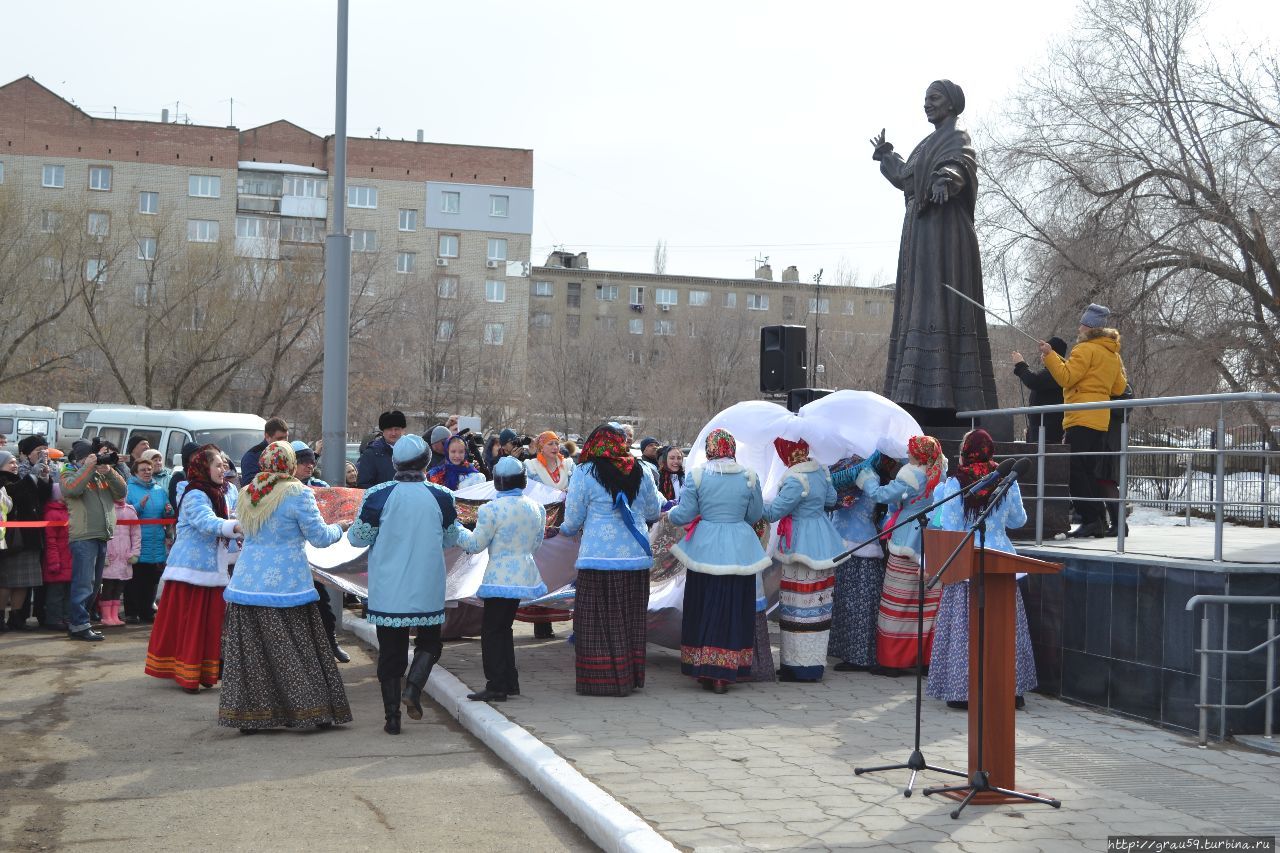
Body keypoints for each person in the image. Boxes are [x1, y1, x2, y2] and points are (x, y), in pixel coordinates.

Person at [870, 79, 998, 427]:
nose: (927, 104)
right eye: (925, 99)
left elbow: (961, 164)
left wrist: (945, 180)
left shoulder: (957, 137)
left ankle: (948, 395)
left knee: (942, 307)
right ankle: (913, 393)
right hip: (919, 238)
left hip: (945, 239)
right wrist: (886, 156)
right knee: (918, 306)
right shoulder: (925, 144)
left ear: (952, 103)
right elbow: (905, 177)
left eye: (935, 98)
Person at [219, 442, 350, 733]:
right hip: (287, 585)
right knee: (296, 650)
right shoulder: (297, 492)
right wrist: (341, 526)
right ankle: (311, 711)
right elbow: (320, 538)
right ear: (290, 465)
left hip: (247, 584)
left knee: (252, 655)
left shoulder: (247, 492)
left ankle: (252, 717)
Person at [348, 434, 461, 734]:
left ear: (395, 461)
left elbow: (357, 538)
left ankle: (391, 718)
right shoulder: (441, 496)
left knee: (391, 651)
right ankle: (413, 687)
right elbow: (451, 538)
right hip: (427, 583)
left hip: (389, 588)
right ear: (426, 461)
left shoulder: (378, 495)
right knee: (430, 643)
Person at [926, 428, 1036, 710]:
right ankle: (1010, 690)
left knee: (966, 629)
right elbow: (1018, 521)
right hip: (1002, 562)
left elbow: (950, 527)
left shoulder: (956, 482)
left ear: (965, 452)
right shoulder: (1007, 479)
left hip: (967, 563)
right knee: (1005, 627)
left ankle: (964, 691)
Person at [559, 424, 663, 697]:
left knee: (598, 620)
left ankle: (600, 678)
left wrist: (564, 531)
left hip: (597, 557)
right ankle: (629, 676)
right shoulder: (641, 470)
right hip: (635, 557)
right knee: (630, 617)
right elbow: (653, 510)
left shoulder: (584, 472)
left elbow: (572, 519)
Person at [668, 428, 769, 694]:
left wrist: (670, 515)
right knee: (735, 605)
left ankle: (703, 667)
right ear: (732, 448)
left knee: (703, 603)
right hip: (739, 546)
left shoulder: (698, 475)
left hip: (705, 546)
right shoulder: (749, 476)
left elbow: (685, 513)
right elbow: (755, 514)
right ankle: (726, 670)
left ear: (710, 449)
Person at [145, 446, 239, 691]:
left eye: (224, 465)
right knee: (192, 624)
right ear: (203, 468)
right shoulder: (195, 493)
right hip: (192, 570)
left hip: (212, 569)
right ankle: (188, 673)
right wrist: (236, 528)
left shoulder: (223, 492)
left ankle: (206, 672)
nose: (223, 469)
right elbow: (205, 521)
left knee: (210, 623)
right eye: (217, 465)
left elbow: (231, 517)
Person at [455, 456, 548, 702]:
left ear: (497, 481)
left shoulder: (490, 509)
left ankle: (496, 685)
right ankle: (509, 681)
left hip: (498, 576)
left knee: (492, 631)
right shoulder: (536, 507)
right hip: (524, 573)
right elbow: (536, 544)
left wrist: (455, 529)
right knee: (504, 628)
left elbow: (475, 545)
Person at [1041, 303, 1128, 538]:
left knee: (1074, 469)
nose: (1078, 328)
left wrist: (1050, 357)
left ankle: (1091, 518)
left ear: (1088, 327)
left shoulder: (1084, 349)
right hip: (1100, 419)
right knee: (1088, 470)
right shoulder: (1112, 353)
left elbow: (1066, 377)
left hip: (1080, 416)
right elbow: (1119, 387)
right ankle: (1097, 519)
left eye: (1081, 324)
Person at [864, 435, 947, 675]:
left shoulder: (911, 475)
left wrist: (867, 479)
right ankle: (926, 659)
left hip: (905, 540)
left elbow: (881, 495)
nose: (906, 453)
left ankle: (893, 661)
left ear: (917, 455)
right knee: (927, 604)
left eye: (910, 450)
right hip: (930, 541)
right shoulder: (939, 472)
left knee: (897, 603)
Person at [764, 438, 845, 683]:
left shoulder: (794, 479)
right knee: (818, 605)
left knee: (797, 605)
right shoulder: (820, 471)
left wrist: (752, 502)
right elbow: (831, 500)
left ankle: (798, 666)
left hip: (800, 541)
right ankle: (813, 663)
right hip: (823, 537)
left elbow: (775, 512)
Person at [828, 453, 893, 672]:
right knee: (850, 603)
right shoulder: (851, 471)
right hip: (853, 544)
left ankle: (859, 655)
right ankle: (850, 652)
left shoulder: (864, 475)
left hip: (858, 546)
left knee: (857, 605)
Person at [60, 441, 128, 641]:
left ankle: (81, 623)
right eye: (89, 457)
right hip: (83, 536)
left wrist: (108, 470)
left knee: (94, 584)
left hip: (101, 535)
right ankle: (79, 624)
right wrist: (89, 467)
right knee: (84, 584)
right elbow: (72, 490)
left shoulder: (101, 475)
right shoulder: (67, 473)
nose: (94, 460)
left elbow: (122, 492)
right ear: (79, 459)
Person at [290, 441, 350, 664]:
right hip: (291, 558)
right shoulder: (283, 490)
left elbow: (333, 515)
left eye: (311, 462)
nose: (308, 466)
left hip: (317, 554)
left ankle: (330, 643)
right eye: (302, 462)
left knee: (322, 602)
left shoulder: (321, 487)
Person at [1, 449, 49, 631]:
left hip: (30, 536)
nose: (14, 465)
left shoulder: (22, 478)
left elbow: (42, 496)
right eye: (10, 462)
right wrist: (31, 475)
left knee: (24, 581)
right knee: (6, 581)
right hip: (12, 539)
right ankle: (1, 618)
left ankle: (16, 617)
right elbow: (14, 495)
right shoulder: (4, 481)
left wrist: (44, 477)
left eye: (15, 462)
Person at [125, 456, 170, 624]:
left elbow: (167, 512)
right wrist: (139, 506)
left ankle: (147, 611)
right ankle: (132, 612)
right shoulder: (129, 489)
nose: (147, 472)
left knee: (152, 578)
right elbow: (124, 512)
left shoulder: (159, 490)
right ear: (135, 472)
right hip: (137, 539)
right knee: (136, 578)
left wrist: (168, 510)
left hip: (156, 539)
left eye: (149, 469)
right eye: (143, 470)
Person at [1012, 337, 1069, 444]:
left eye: (1044, 352)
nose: (1041, 355)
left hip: (1048, 434)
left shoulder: (1056, 373)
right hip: (1040, 430)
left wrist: (1020, 364)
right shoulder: (1054, 372)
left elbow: (1033, 381)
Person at [98, 497, 140, 627]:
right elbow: (100, 533)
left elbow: (136, 534)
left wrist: (135, 553)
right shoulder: (105, 509)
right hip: (110, 556)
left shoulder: (130, 511)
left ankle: (114, 615)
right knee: (108, 587)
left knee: (119, 587)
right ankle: (106, 616)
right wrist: (103, 555)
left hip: (124, 557)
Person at [40, 482, 72, 631]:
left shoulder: (68, 511)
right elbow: (50, 541)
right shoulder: (52, 514)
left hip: (68, 559)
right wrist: (53, 562)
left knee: (67, 593)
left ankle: (65, 617)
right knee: (56, 594)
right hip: (58, 560)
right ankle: (54, 619)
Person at [357, 410, 406, 488]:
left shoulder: (411, 452)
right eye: (389, 429)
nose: (393, 433)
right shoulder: (371, 454)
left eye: (396, 429)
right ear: (383, 431)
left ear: (403, 430)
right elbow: (364, 484)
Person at [239, 417, 289, 485]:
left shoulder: (289, 454)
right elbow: (249, 487)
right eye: (280, 439)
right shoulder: (252, 456)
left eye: (286, 437)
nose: (284, 442)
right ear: (267, 436)